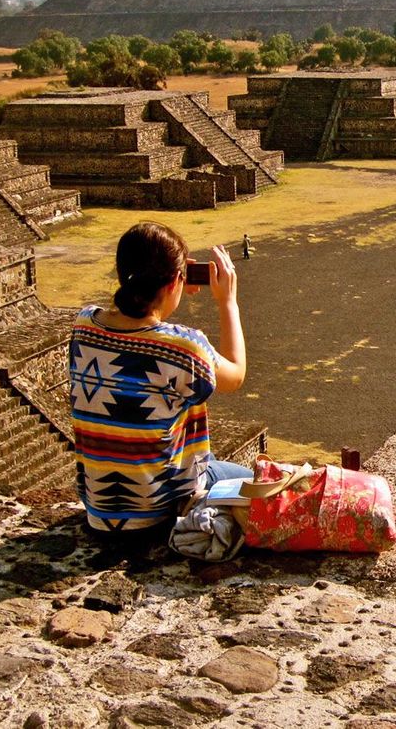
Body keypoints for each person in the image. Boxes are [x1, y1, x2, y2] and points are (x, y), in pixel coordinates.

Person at [69, 222, 251, 552]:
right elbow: (235, 375)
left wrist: (169, 291)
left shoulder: (84, 326)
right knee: (259, 484)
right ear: (172, 282)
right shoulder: (184, 348)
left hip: (99, 514)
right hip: (160, 513)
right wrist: (228, 303)